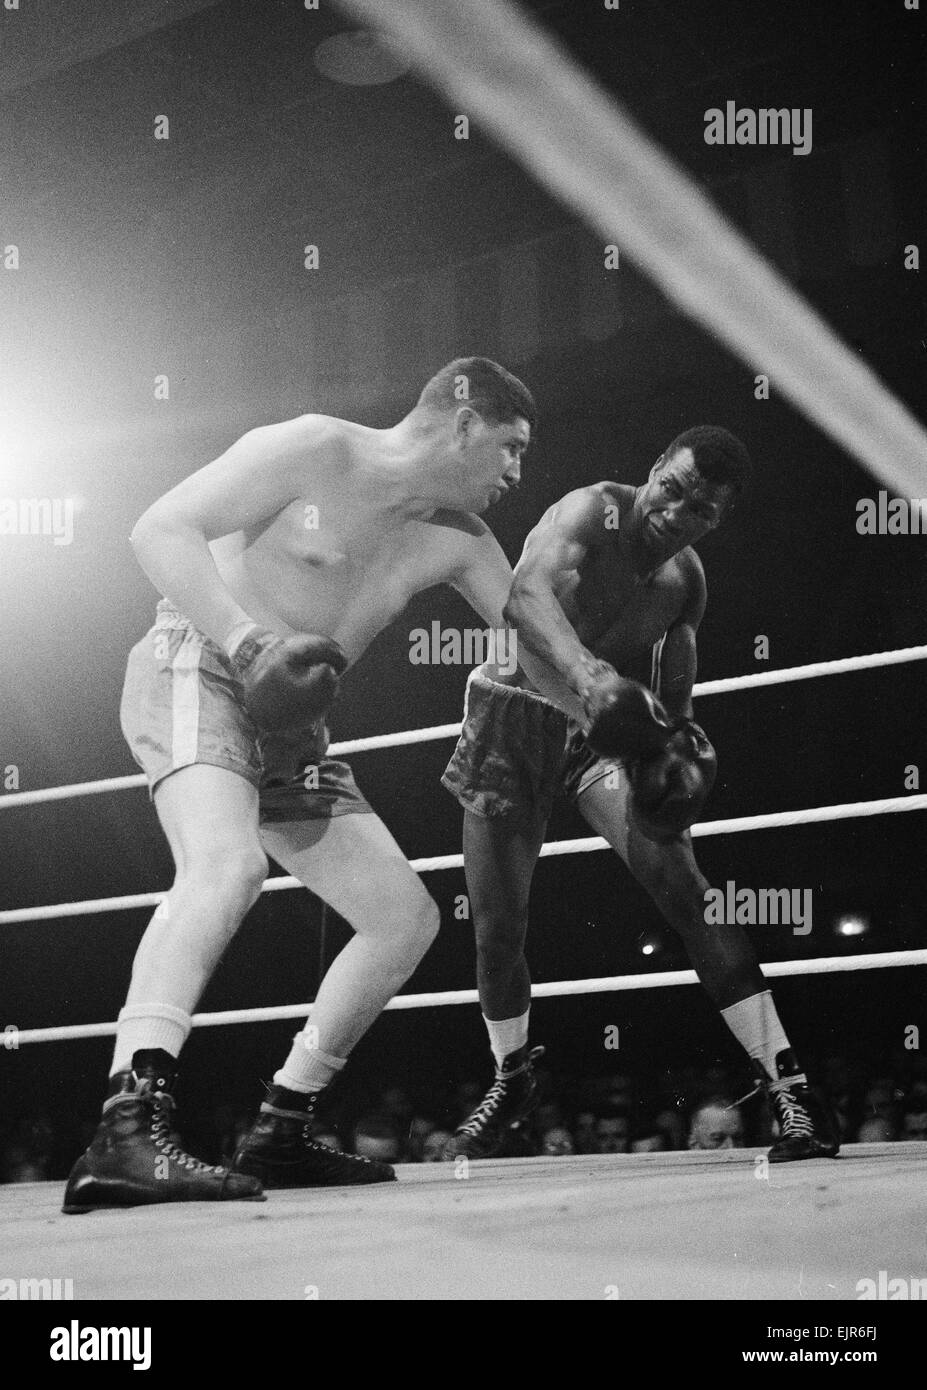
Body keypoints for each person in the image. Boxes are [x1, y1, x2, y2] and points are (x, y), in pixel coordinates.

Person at [63, 357, 547, 1212]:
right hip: (203, 667)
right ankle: (125, 1126)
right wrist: (251, 645)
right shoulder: (316, 448)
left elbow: (542, 643)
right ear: (463, 417)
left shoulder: (461, 538)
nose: (516, 471)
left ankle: (281, 1125)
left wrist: (633, 711)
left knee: (402, 918)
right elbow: (158, 528)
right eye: (510, 446)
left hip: (295, 733)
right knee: (226, 868)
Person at [441, 427, 838, 1165]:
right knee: (498, 926)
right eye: (673, 487)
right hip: (513, 715)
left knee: (687, 889)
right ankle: (512, 1074)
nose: (675, 511)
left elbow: (677, 707)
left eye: (698, 509)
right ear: (654, 469)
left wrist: (676, 758)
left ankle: (791, 1088)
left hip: (605, 734)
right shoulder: (590, 511)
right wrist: (590, 680)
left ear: (714, 522)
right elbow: (523, 600)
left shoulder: (683, 585)